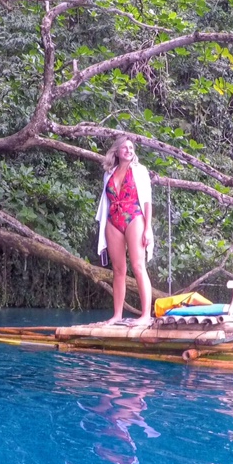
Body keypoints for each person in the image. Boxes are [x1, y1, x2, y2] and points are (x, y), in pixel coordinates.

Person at [94, 135, 154, 326]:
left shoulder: (139, 170)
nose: (128, 150)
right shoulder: (109, 173)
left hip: (134, 215)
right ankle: (117, 315)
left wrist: (148, 228)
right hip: (113, 220)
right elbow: (106, 202)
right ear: (117, 151)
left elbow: (147, 200)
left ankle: (145, 315)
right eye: (124, 148)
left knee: (138, 266)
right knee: (118, 269)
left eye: (131, 147)